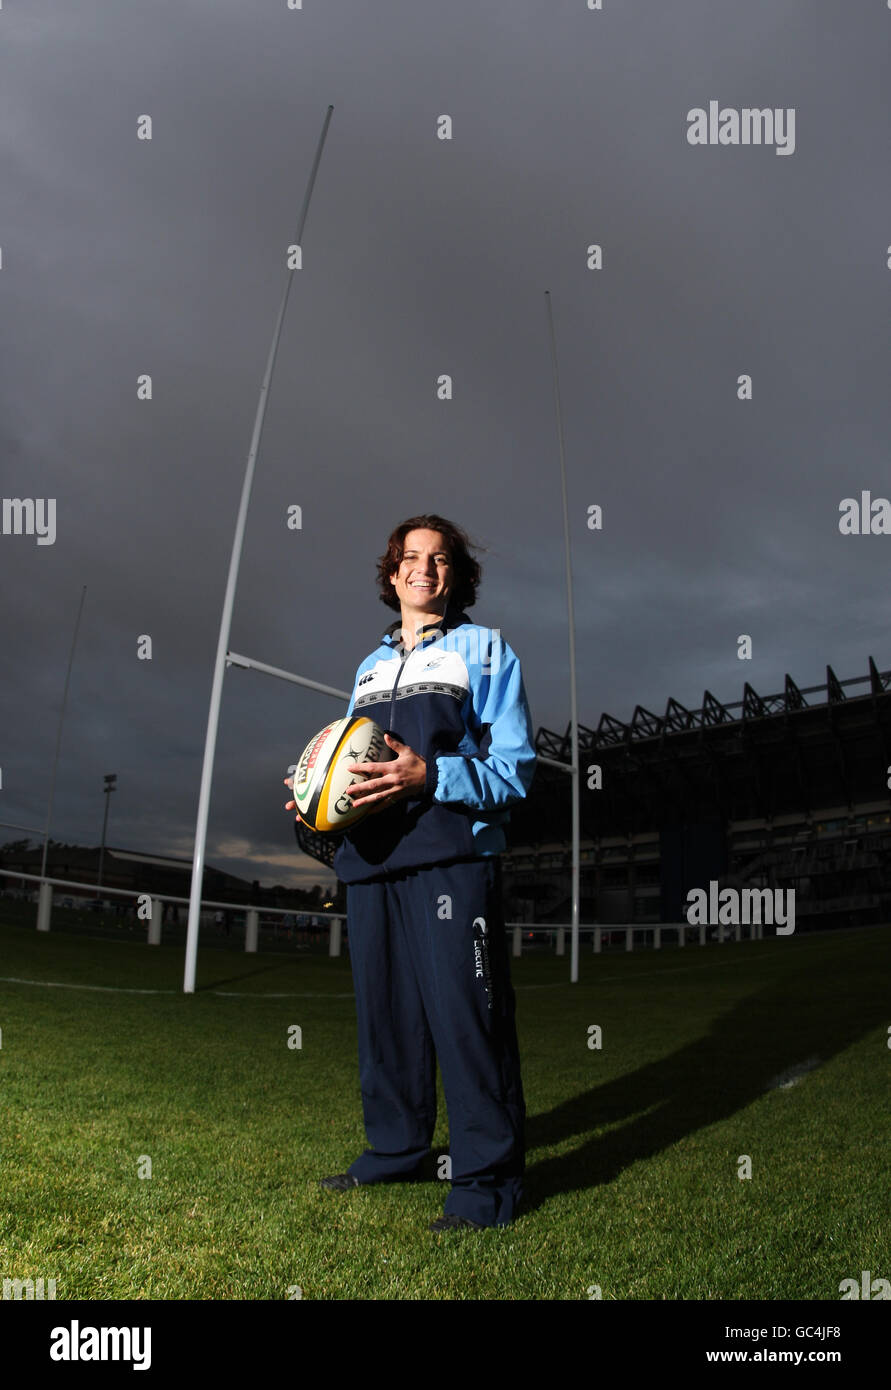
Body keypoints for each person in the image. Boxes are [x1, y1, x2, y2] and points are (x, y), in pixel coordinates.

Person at [285, 514, 536, 1231]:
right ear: (391, 574)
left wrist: (430, 774)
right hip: (373, 864)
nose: (423, 568)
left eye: (439, 558)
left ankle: (487, 1182)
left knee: (467, 1020)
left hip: (450, 861)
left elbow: (514, 772)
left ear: (455, 576)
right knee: (386, 1022)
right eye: (410, 557)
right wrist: (313, 799)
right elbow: (346, 760)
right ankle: (395, 1150)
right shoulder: (367, 668)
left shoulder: (485, 651)